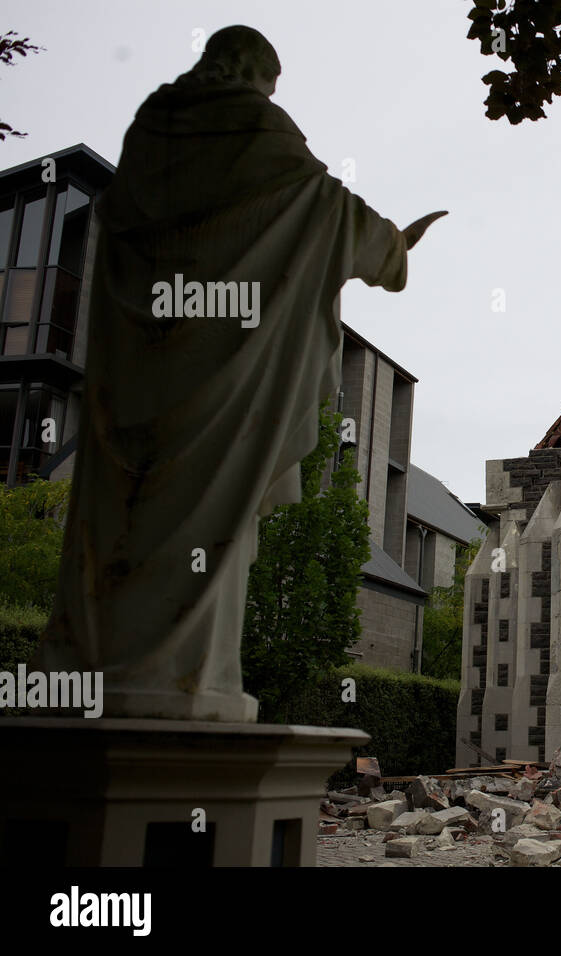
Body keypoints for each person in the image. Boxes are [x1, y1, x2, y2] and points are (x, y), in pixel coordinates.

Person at [33, 25, 443, 721]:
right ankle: (184, 682)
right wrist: (393, 245)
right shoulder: (253, 125)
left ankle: (93, 671)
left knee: (121, 513)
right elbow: (321, 205)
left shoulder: (154, 129)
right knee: (210, 515)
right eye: (271, 82)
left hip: (136, 364)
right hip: (222, 381)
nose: (271, 95)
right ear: (253, 73)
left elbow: (128, 217)